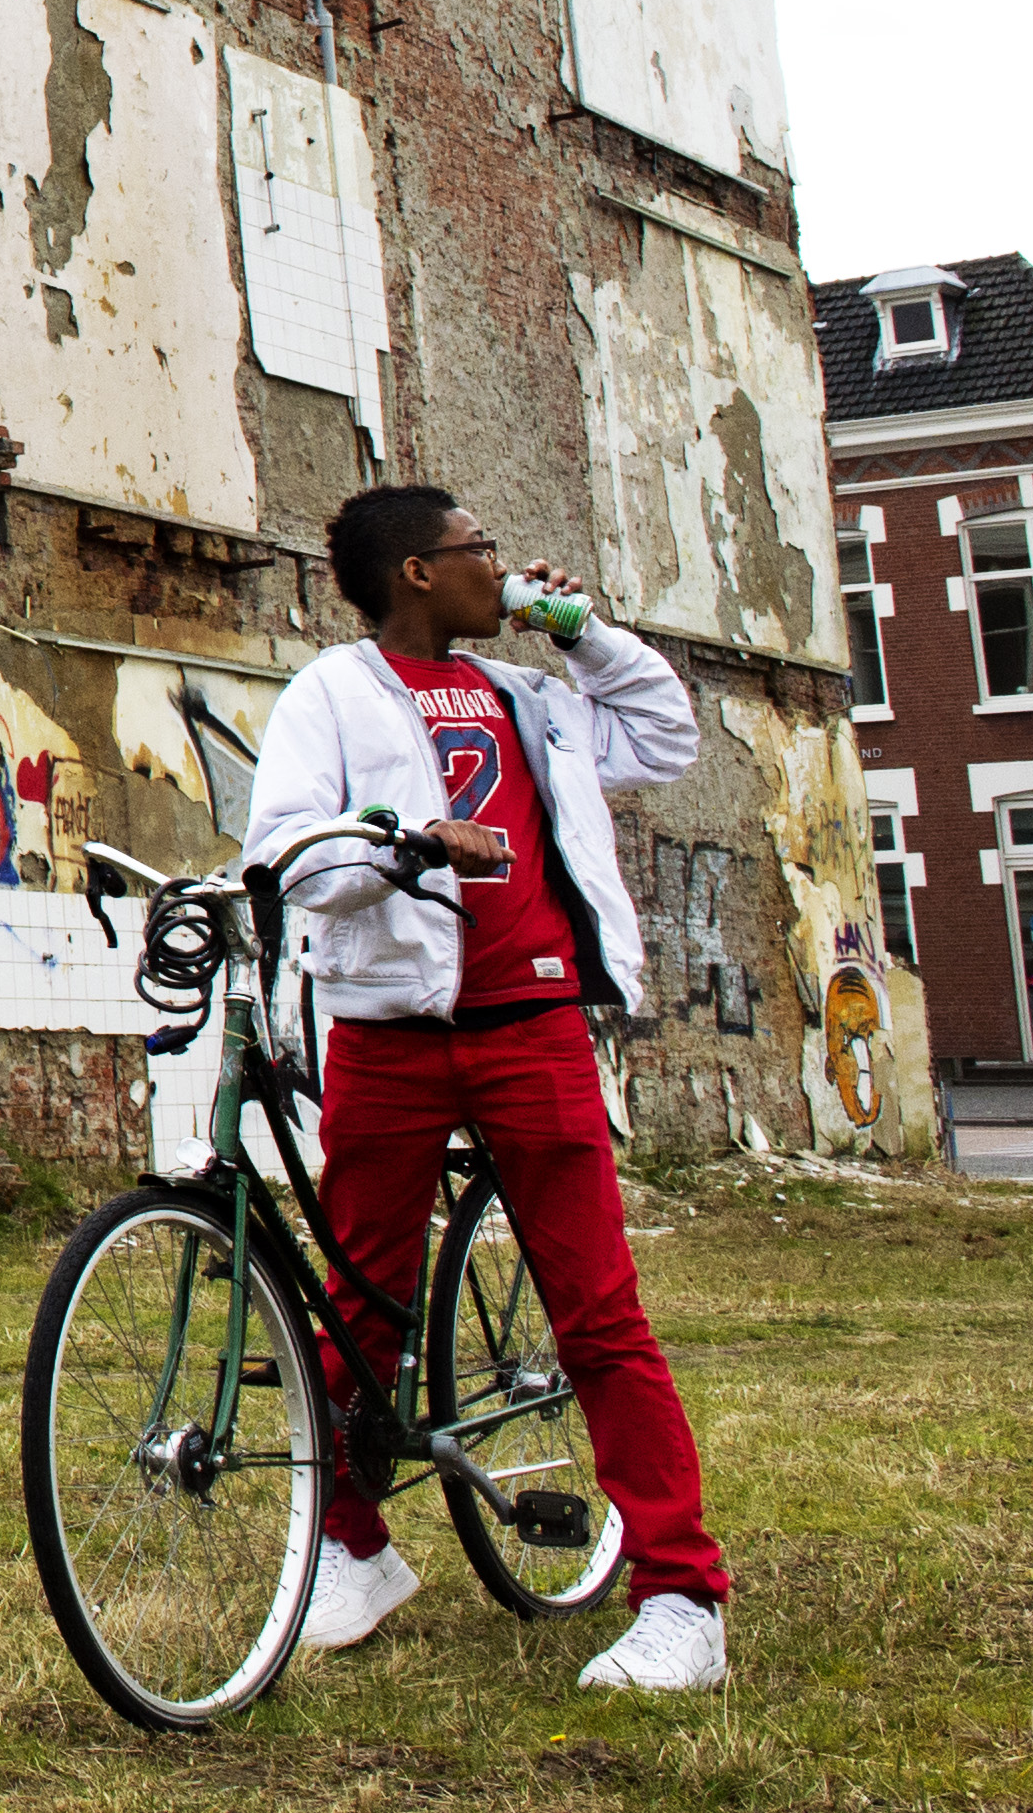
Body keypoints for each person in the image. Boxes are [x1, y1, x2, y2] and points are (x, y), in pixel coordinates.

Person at [240, 483, 733, 1694]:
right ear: (417, 571)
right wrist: (412, 834)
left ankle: (681, 1596)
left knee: (597, 1311)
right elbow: (290, 854)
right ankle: (352, 1545)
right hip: (391, 1032)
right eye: (480, 552)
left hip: (532, 1024)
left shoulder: (531, 693)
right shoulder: (334, 694)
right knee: (361, 1304)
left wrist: (576, 626)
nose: (498, 569)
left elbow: (666, 736)